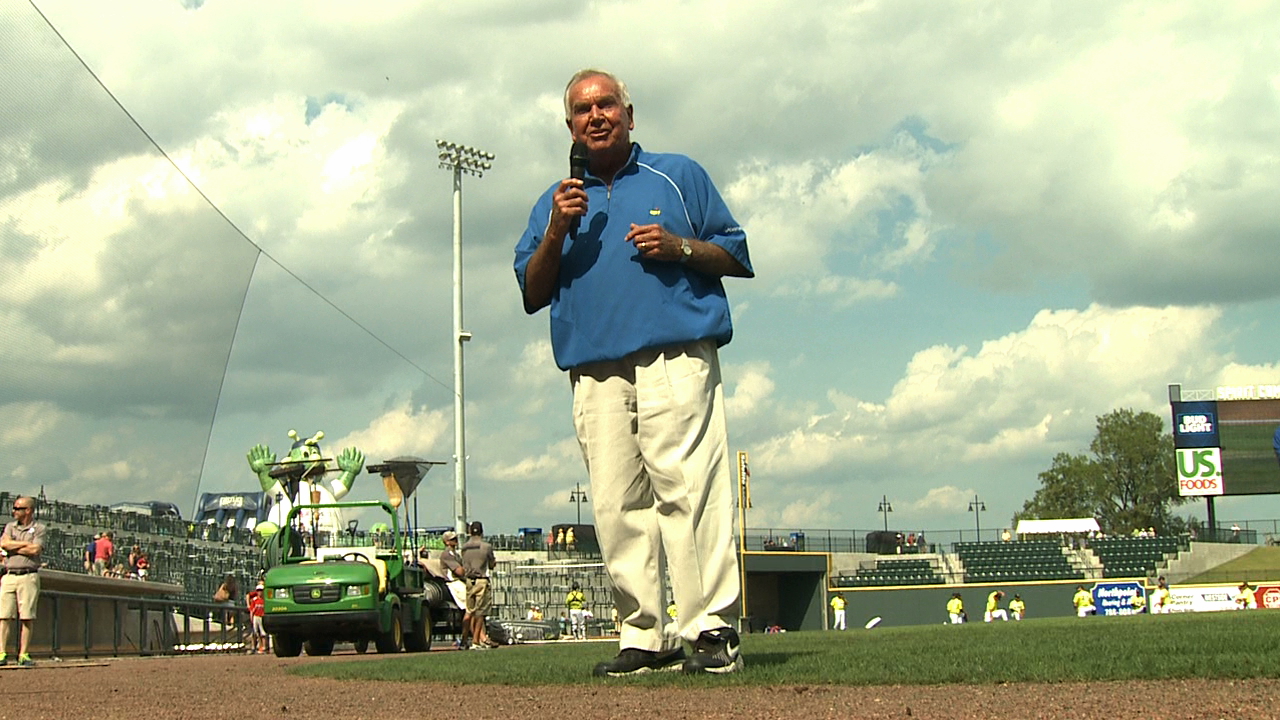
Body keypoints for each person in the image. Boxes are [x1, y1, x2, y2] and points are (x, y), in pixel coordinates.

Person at [515, 68, 753, 678]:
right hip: (594, 366)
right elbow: (532, 290)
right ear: (569, 125)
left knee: (689, 489)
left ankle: (709, 629)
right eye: (582, 109)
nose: (596, 115)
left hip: (673, 351)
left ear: (629, 113)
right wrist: (558, 229)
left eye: (607, 105)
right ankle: (644, 635)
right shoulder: (556, 199)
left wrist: (679, 247)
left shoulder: (677, 174)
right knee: (617, 505)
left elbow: (734, 252)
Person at [0, 496, 44, 667]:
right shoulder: (10, 527)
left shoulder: (39, 528)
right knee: (4, 616)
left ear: (28, 510)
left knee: (26, 616)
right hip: (9, 575)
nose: (14, 511)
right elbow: (3, 544)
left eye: (18, 508)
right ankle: (2, 652)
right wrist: (24, 545)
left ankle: (23, 654)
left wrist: (14, 545)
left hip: (28, 575)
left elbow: (35, 549)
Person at [460, 520, 498, 649]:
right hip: (481, 579)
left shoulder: (464, 547)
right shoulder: (486, 546)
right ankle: (476, 641)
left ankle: (463, 641)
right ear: (482, 531)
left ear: (470, 532)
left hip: (469, 580)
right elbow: (492, 565)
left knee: (468, 611)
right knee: (480, 612)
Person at [246, 581, 266, 654]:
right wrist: (248, 605)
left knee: (263, 633)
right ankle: (255, 647)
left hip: (262, 617)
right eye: (258, 590)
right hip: (256, 616)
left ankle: (263, 647)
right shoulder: (255, 599)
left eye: (261, 590)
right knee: (255, 633)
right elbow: (252, 610)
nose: (260, 592)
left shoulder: (264, 599)